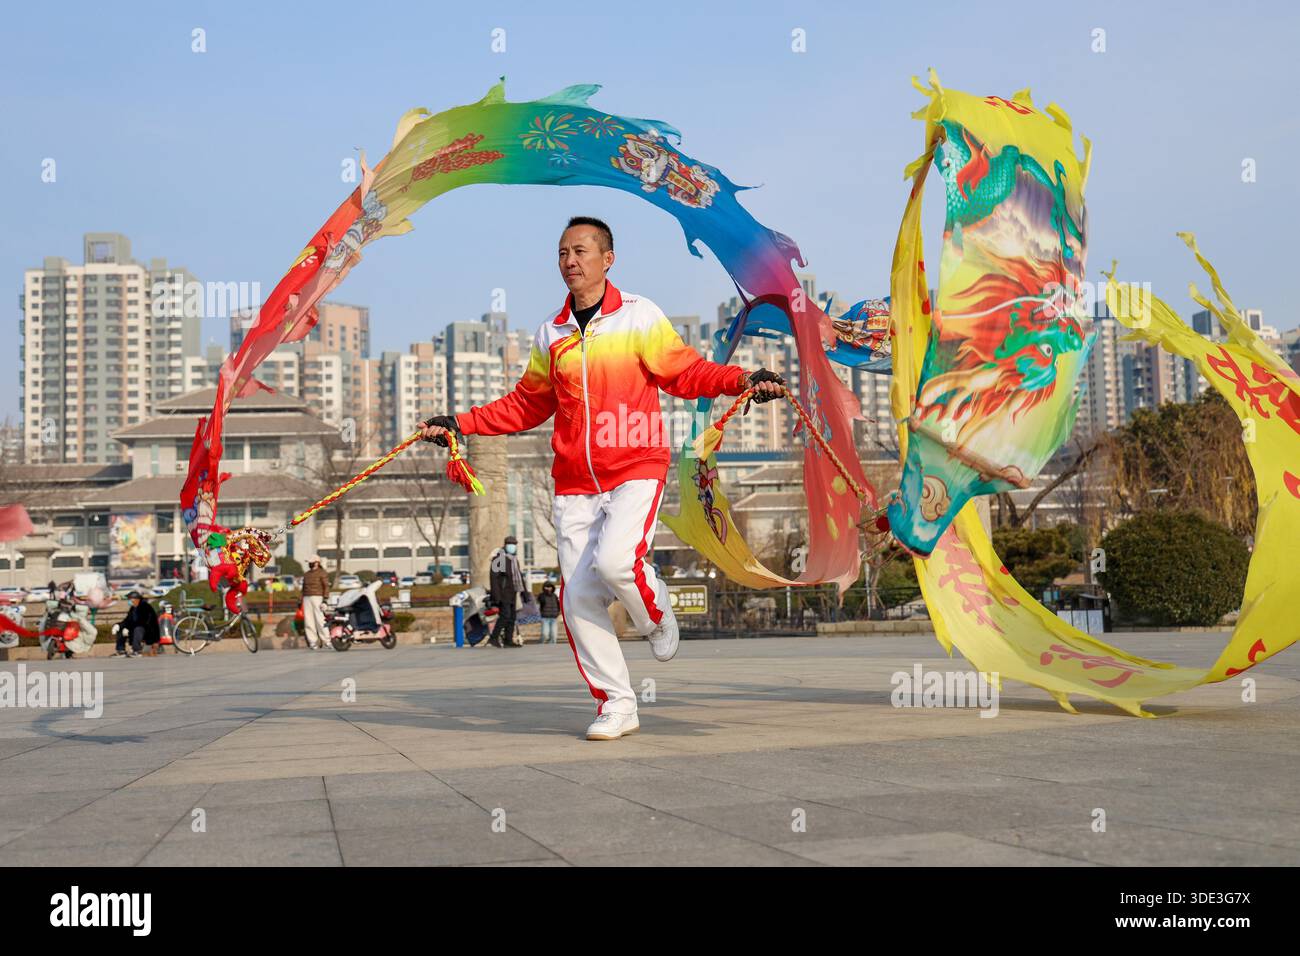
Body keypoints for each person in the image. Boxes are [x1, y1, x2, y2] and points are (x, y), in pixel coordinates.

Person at [420, 215, 784, 740]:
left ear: (607, 259)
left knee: (617, 563)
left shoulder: (639, 316)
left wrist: (742, 379)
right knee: (577, 598)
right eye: (563, 252)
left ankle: (656, 614)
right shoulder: (553, 332)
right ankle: (617, 703)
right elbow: (526, 404)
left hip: (636, 464)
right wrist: (460, 423)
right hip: (573, 482)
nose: (570, 260)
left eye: (581, 251)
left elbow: (685, 371)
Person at [487, 535, 527, 648]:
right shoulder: (499, 559)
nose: (512, 546)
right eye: (510, 544)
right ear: (505, 545)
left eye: (514, 544)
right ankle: (493, 638)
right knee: (505, 615)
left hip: (513, 592)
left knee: (512, 617)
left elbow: (519, 576)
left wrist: (524, 592)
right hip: (503, 593)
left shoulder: (514, 560)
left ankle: (508, 640)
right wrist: (496, 595)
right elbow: (493, 578)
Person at [115, 591, 159, 658]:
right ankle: (121, 650)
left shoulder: (145, 607)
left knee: (138, 629)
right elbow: (127, 620)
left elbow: (143, 622)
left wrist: (129, 627)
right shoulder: (133, 608)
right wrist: (118, 625)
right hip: (136, 627)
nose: (129, 601)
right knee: (121, 628)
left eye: (130, 599)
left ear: (136, 599)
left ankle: (137, 650)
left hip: (148, 631)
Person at [301, 556, 331, 650]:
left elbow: (326, 586)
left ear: (317, 562)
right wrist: (299, 600)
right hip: (306, 598)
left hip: (318, 597)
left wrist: (325, 599)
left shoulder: (322, 573)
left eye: (311, 562)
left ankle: (327, 641)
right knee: (308, 621)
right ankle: (312, 642)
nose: (310, 564)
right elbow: (303, 588)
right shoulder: (306, 574)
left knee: (320, 620)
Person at [537, 581, 560, 645]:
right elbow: (541, 601)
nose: (549, 588)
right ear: (544, 588)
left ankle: (552, 649)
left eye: (550, 587)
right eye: (547, 587)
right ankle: (541, 644)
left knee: (554, 636)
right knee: (545, 634)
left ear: (552, 588)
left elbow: (558, 605)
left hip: (554, 618)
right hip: (545, 617)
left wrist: (558, 612)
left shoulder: (555, 595)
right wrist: (546, 592)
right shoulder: (542, 595)